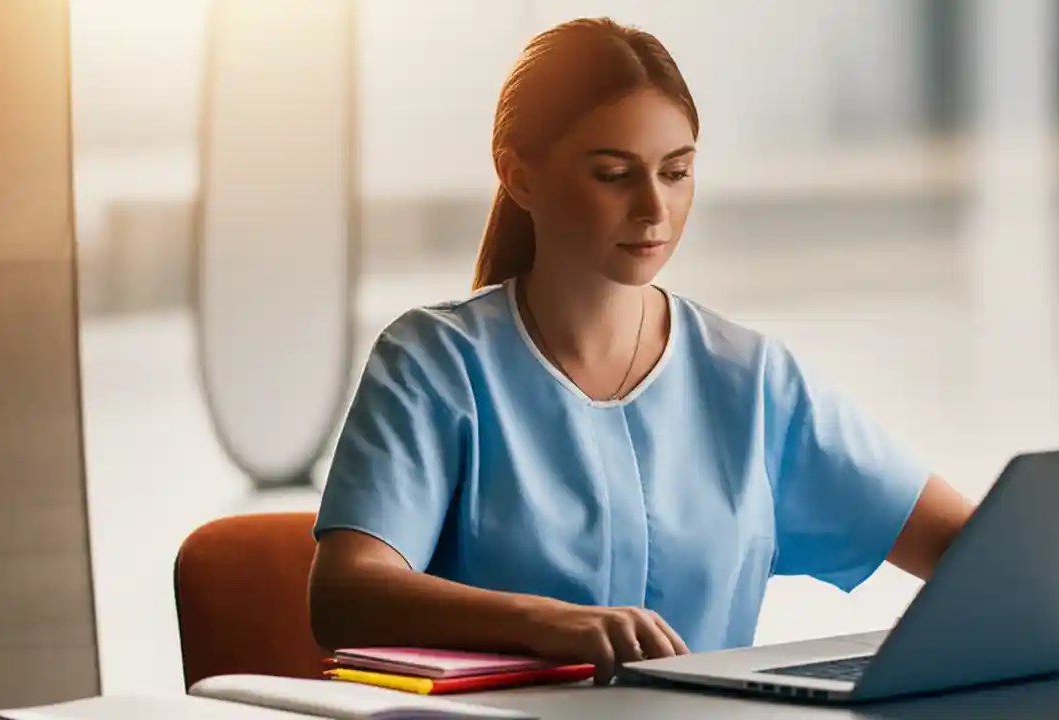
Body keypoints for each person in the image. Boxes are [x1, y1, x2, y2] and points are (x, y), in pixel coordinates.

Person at [308, 17, 974, 686]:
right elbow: (345, 596)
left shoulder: (752, 380)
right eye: (613, 175)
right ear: (519, 176)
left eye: (676, 171)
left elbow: (969, 550)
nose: (654, 208)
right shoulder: (434, 363)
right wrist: (550, 624)